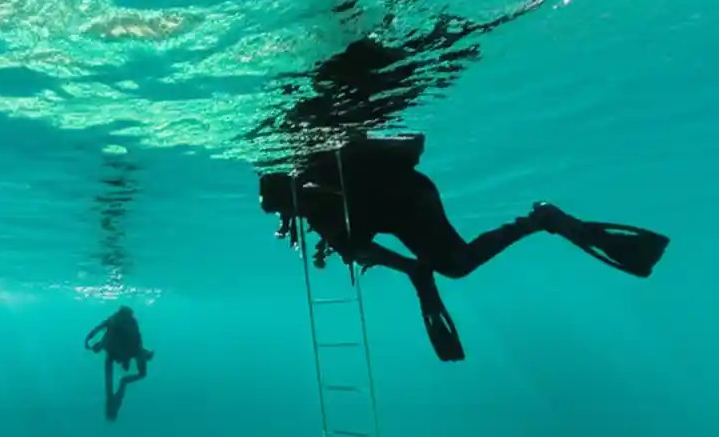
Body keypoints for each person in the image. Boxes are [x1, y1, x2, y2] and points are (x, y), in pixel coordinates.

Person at [258, 133, 670, 361]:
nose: (294, 212)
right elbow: (363, 249)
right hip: (405, 202)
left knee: (455, 266)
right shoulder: (321, 207)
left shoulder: (330, 189)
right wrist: (414, 273)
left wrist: (416, 273)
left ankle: (539, 219)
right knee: (452, 266)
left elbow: (364, 247)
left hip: (410, 201)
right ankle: (542, 220)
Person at [85, 306, 156, 421]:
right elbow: (137, 340)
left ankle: (111, 408)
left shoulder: (114, 321)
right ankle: (112, 406)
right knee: (137, 375)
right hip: (120, 352)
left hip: (117, 353)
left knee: (110, 385)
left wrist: (90, 342)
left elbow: (97, 330)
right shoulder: (125, 322)